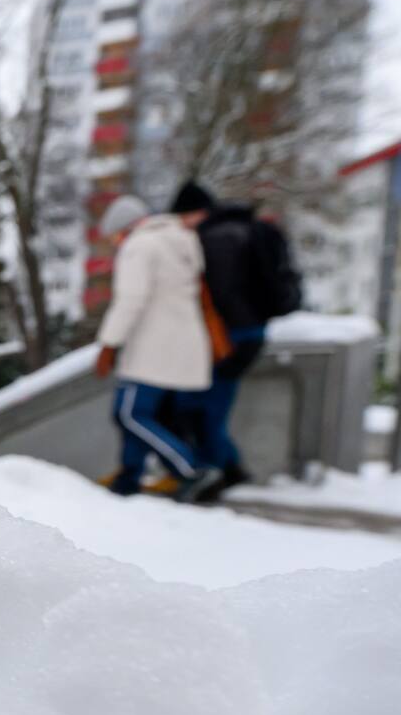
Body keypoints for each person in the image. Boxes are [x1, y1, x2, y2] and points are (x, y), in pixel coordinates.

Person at [175, 181, 303, 498]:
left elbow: (220, 293)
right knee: (211, 404)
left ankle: (213, 474)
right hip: (252, 332)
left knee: (201, 407)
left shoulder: (216, 237)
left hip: (229, 335)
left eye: (182, 216)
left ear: (196, 212)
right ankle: (229, 468)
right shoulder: (246, 229)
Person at [92, 194, 221, 502]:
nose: (116, 243)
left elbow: (131, 300)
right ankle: (129, 477)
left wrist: (109, 344)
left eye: (115, 236)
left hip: (151, 349)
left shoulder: (140, 246)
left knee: (129, 414)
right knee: (143, 414)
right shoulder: (182, 239)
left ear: (125, 228)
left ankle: (189, 469)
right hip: (184, 346)